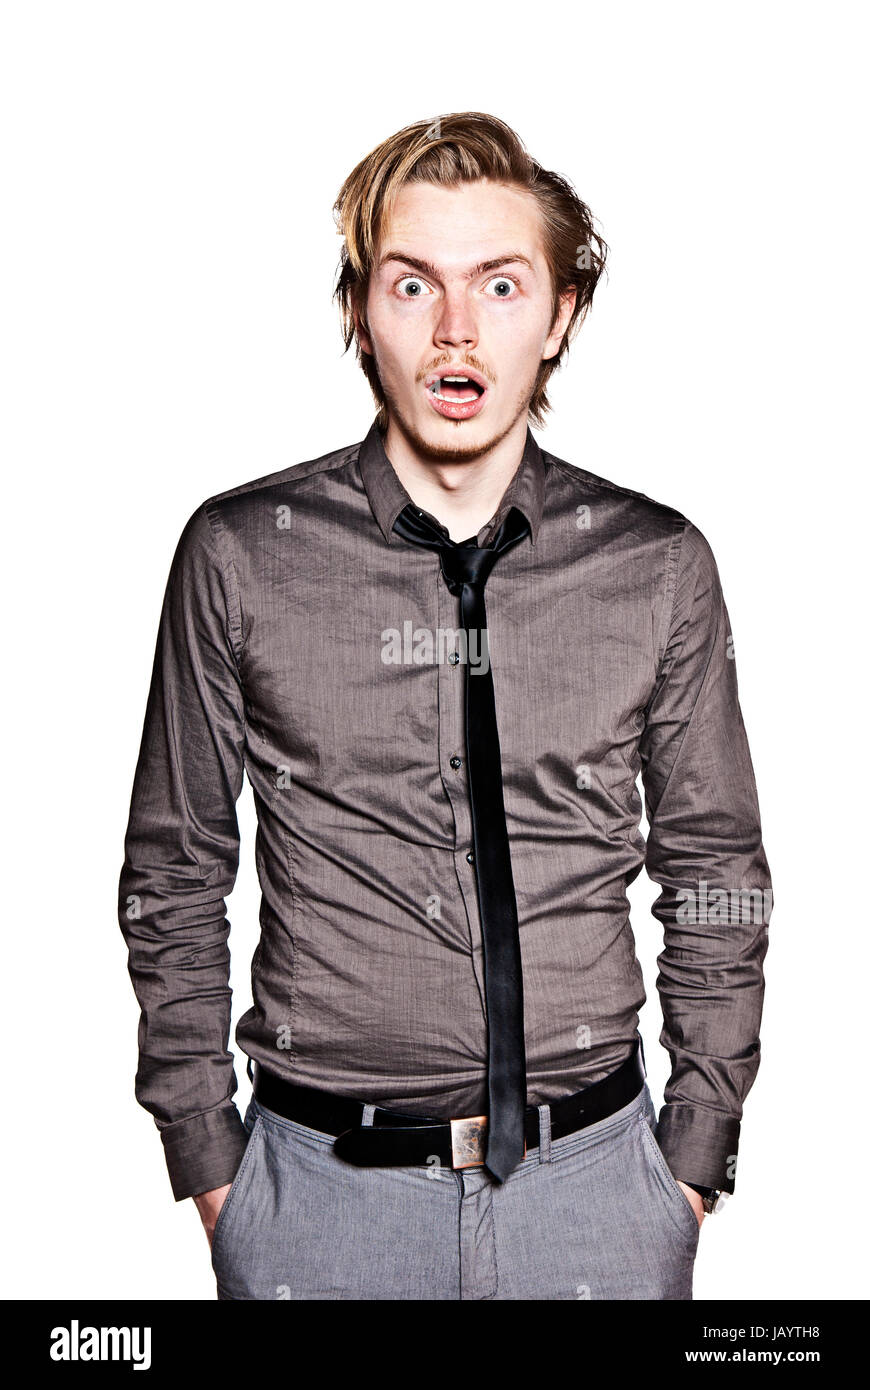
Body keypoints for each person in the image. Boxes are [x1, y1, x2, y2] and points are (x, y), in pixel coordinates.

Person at [118, 111, 772, 1301]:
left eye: (502, 285)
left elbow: (716, 867)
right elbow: (173, 872)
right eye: (413, 283)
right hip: (318, 1206)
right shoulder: (241, 555)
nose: (456, 331)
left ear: (561, 314)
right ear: (362, 311)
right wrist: (211, 1162)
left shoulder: (656, 565)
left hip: (600, 1201)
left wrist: (691, 1159)